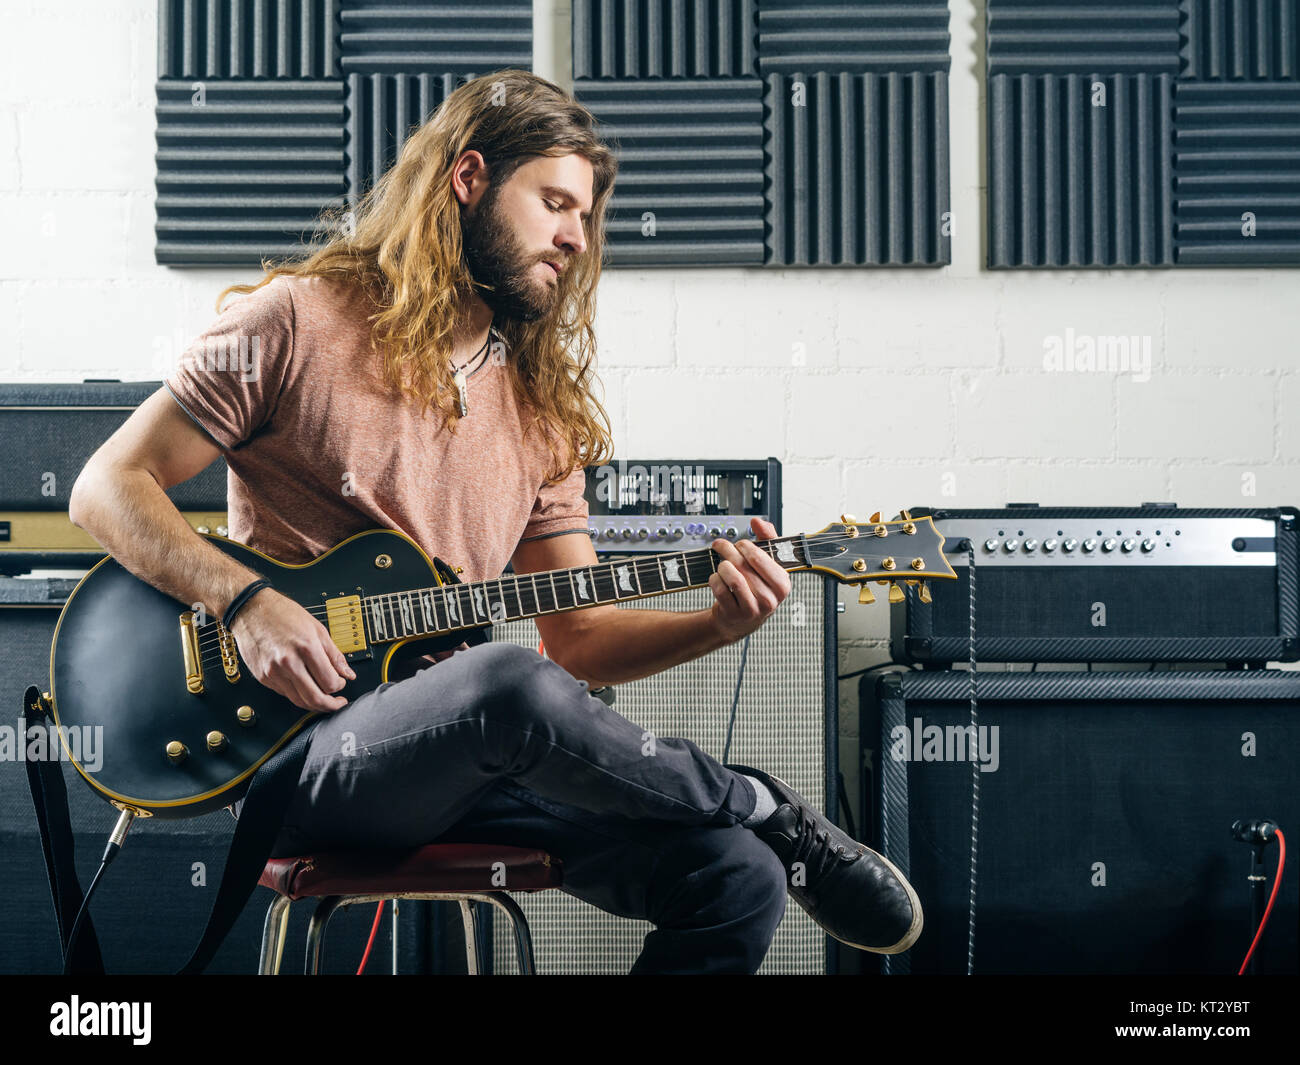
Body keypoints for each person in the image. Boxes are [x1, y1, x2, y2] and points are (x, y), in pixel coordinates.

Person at [69, 69, 921, 974]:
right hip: (306, 753)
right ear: (468, 179)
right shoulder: (295, 321)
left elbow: (580, 640)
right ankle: (764, 801)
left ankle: (752, 826)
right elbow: (105, 486)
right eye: (554, 202)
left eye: (586, 218)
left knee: (738, 876)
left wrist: (715, 620)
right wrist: (245, 603)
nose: (575, 237)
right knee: (506, 682)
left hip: (471, 764)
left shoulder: (539, 412)